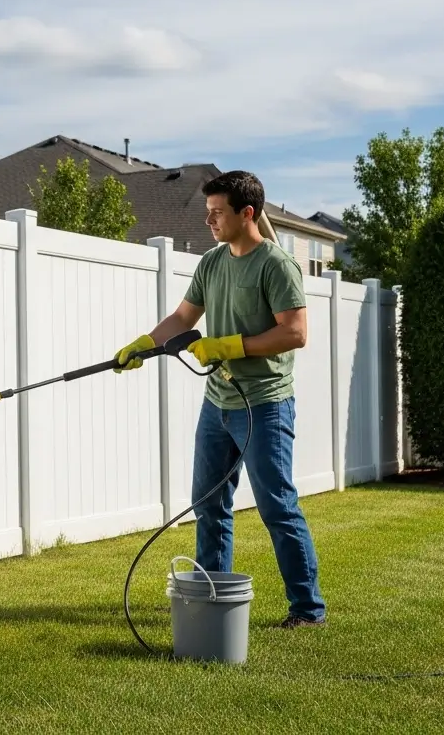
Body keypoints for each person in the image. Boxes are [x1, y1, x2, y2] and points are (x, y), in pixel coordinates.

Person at [114, 170, 326, 628]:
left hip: (265, 404)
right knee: (209, 503)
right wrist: (143, 345)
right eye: (207, 212)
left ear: (246, 213)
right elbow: (182, 317)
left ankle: (308, 610)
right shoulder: (211, 262)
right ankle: (212, 595)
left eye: (216, 213)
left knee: (276, 505)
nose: (209, 220)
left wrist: (229, 345)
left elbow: (295, 332)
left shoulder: (276, 265)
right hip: (218, 404)